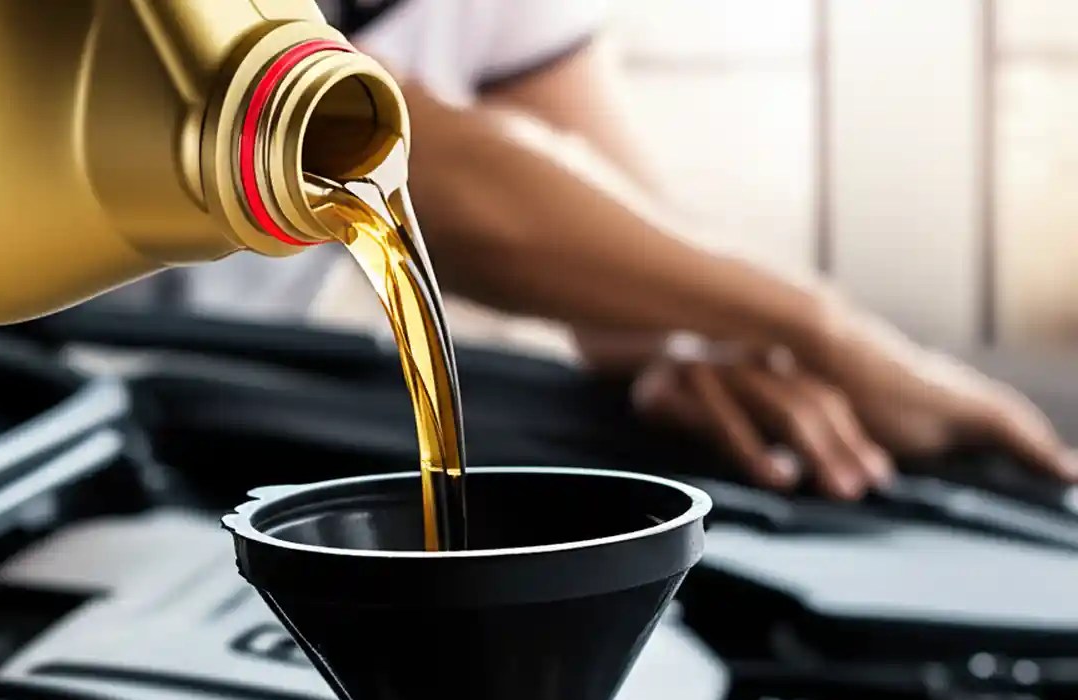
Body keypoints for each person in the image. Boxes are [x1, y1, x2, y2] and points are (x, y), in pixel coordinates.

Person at [179, 0, 1078, 500]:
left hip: (187, 405)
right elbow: (410, 161)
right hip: (63, 382)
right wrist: (828, 332)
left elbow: (624, 234)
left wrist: (694, 344)